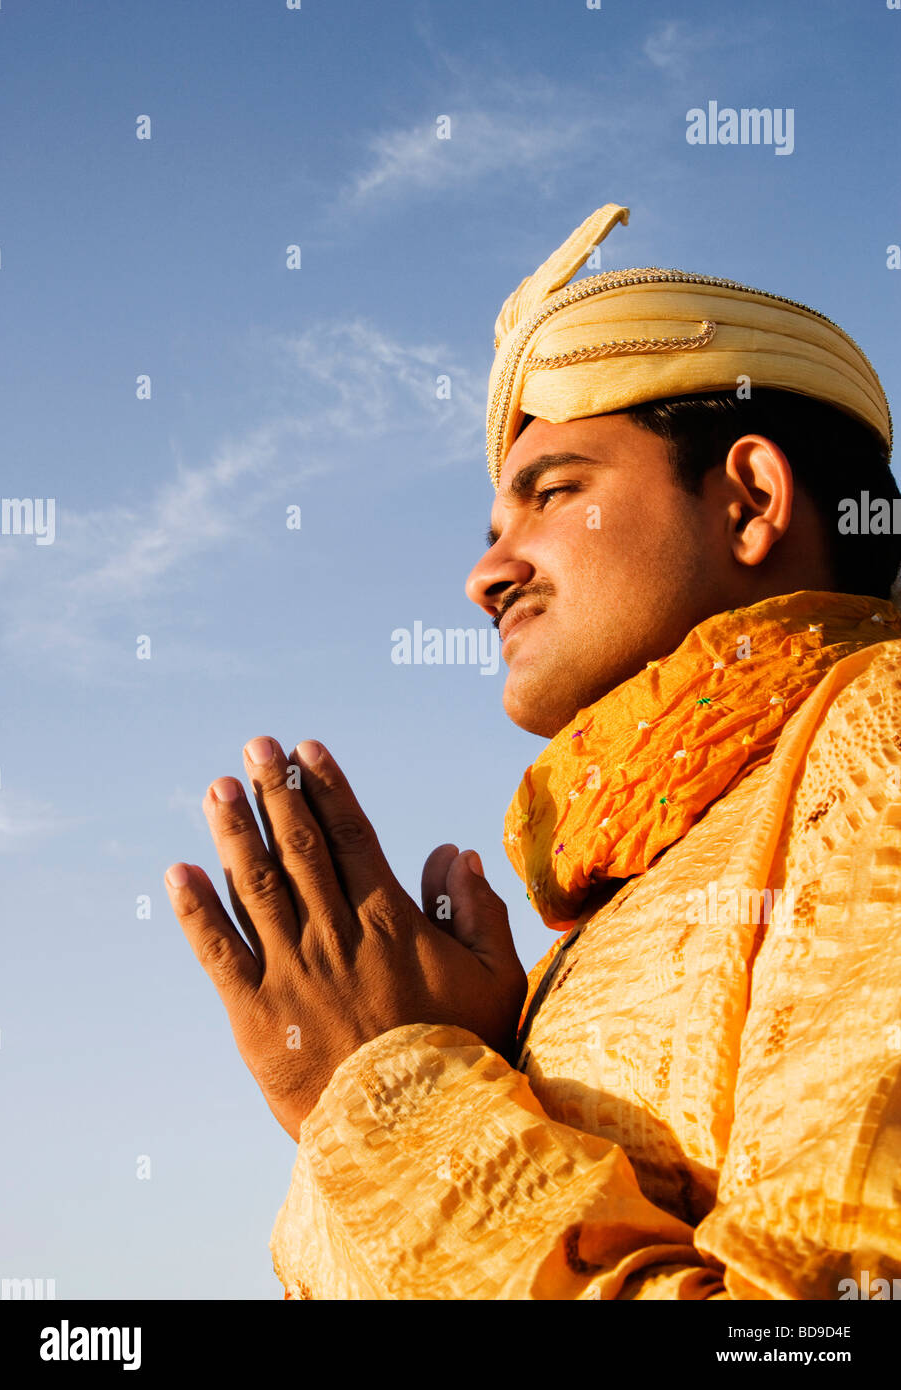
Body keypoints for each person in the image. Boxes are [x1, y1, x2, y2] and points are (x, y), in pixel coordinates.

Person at [166, 203, 901, 1299]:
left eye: (551, 492)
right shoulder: (596, 918)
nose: (484, 574)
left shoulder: (872, 748)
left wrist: (401, 1108)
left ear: (747, 499)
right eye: (487, 530)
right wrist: (467, 1073)